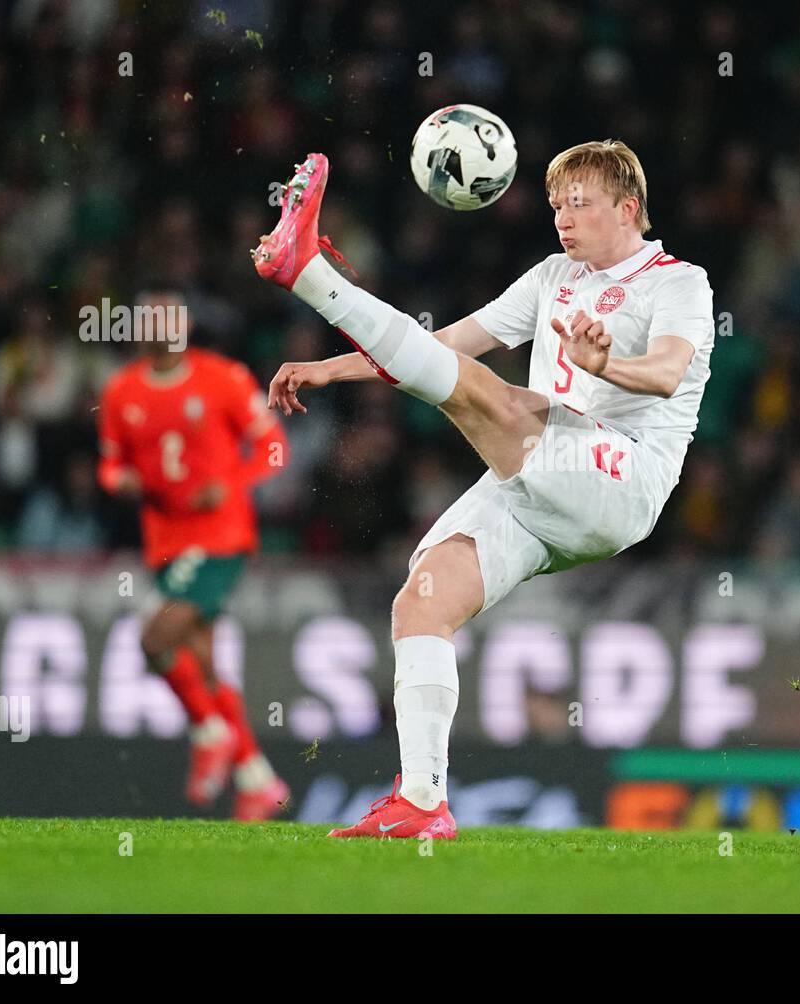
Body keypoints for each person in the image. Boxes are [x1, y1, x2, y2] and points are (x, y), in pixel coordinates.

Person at [255, 141, 713, 839]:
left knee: (490, 401)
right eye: (557, 204)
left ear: (628, 208)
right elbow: (447, 346)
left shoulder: (678, 282)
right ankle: (422, 800)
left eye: (579, 203)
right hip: (543, 482)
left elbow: (668, 373)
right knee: (423, 600)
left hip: (624, 477)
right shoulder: (554, 276)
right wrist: (332, 369)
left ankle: (310, 274)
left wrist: (605, 360)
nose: (562, 217)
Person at [97, 292, 290, 819]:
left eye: (173, 317)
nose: (163, 327)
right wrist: (125, 482)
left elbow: (274, 447)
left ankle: (208, 734)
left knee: (154, 637)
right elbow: (108, 465)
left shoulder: (223, 378)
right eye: (152, 319)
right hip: (165, 541)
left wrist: (230, 486)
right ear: (138, 330)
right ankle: (258, 780)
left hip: (220, 538)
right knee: (204, 665)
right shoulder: (120, 391)